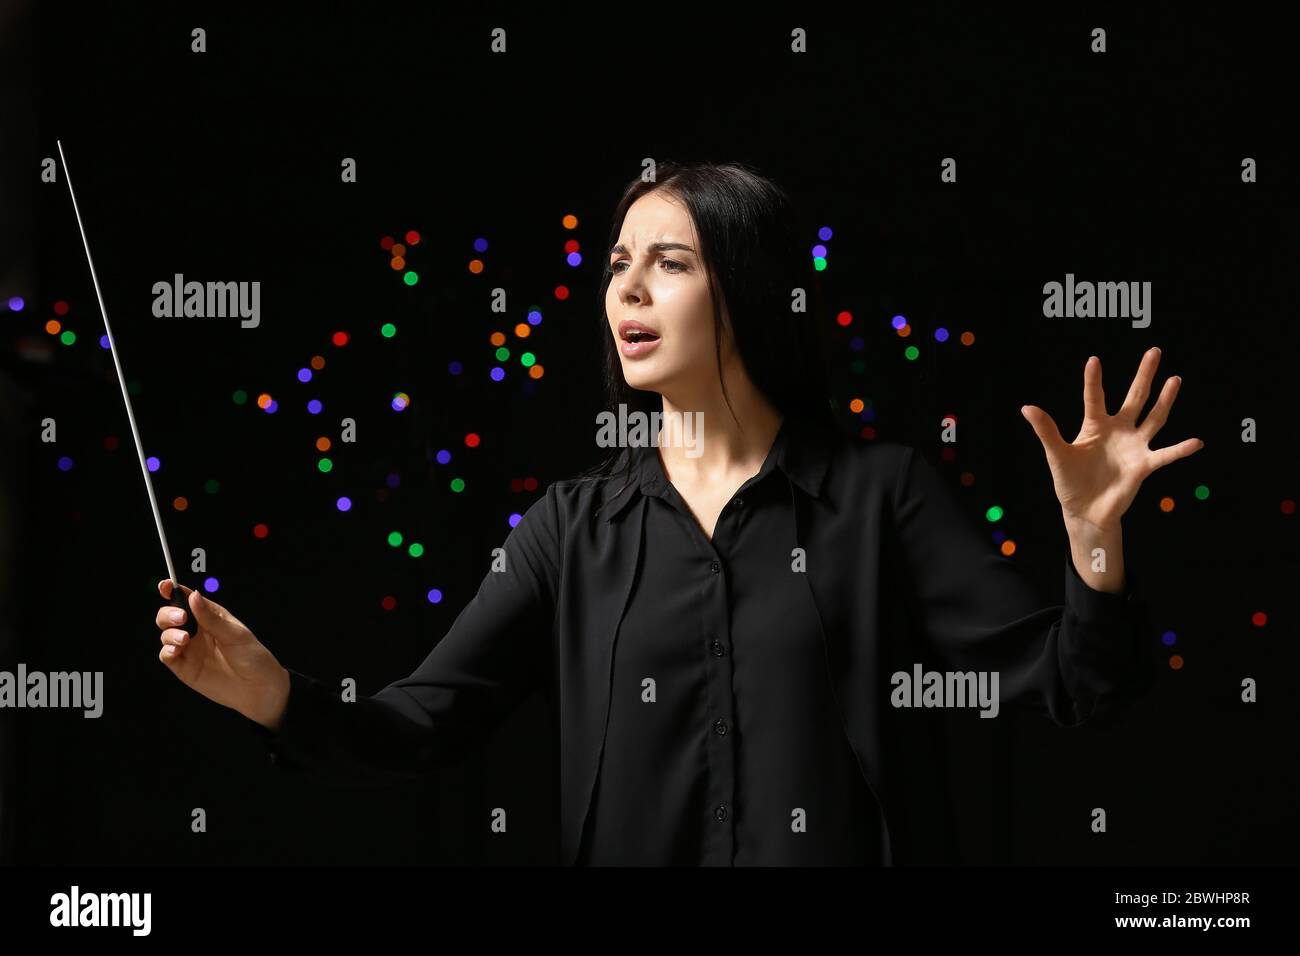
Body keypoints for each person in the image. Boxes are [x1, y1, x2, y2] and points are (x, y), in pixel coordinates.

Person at [153, 161, 1201, 866]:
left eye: (671, 262)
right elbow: (424, 720)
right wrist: (276, 693)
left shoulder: (883, 494)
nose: (627, 293)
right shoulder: (567, 530)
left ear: (745, 288)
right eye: (617, 267)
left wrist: (1092, 538)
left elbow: (1073, 684)